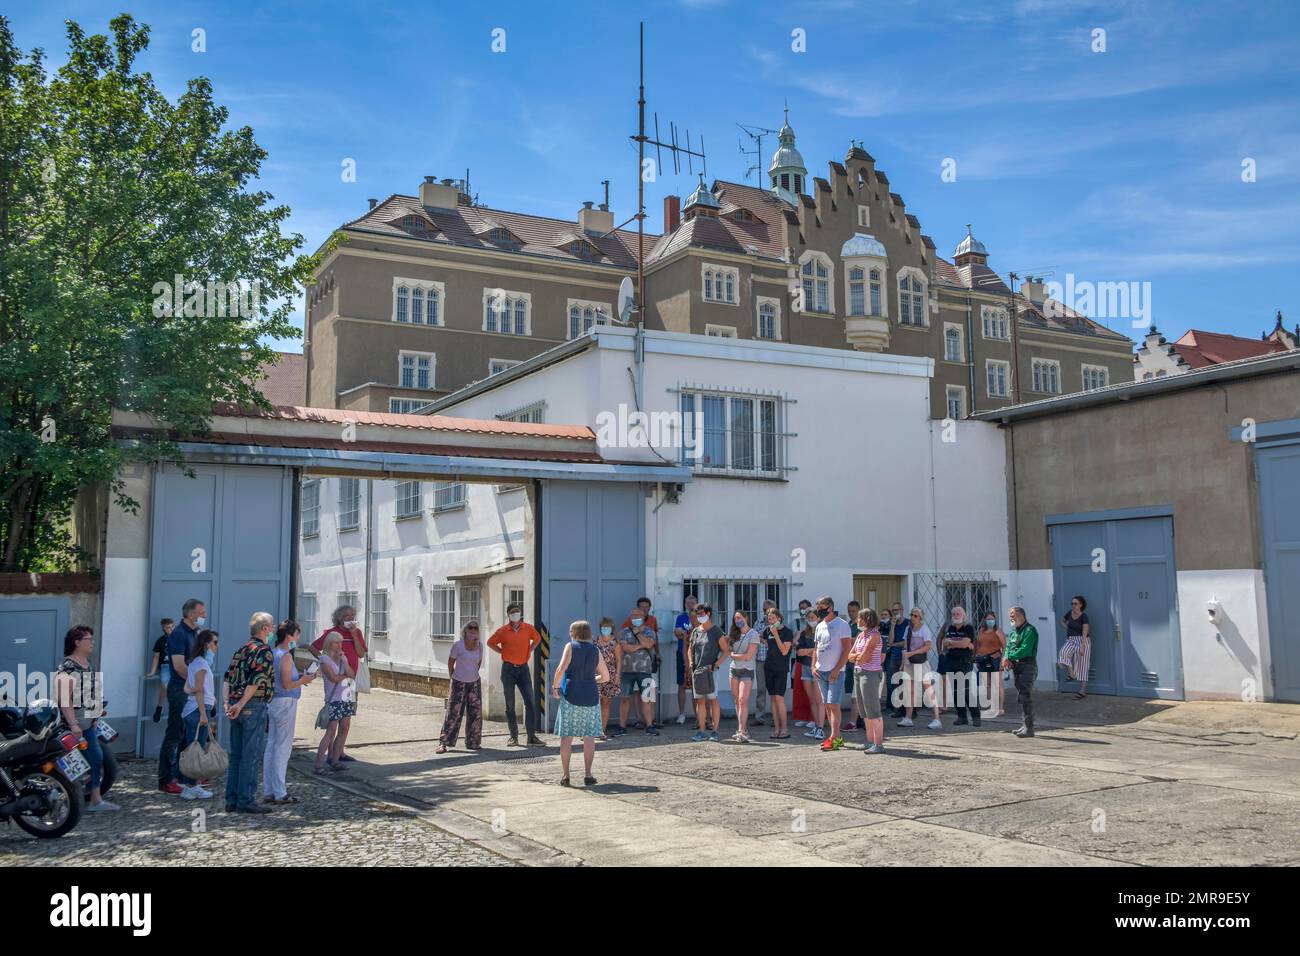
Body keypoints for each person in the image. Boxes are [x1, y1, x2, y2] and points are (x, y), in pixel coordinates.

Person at [56, 626, 118, 812]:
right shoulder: (68, 666)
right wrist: (73, 723)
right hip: (76, 721)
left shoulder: (86, 663)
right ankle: (82, 799)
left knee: (93, 758)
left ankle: (94, 799)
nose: (92, 642)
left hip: (88, 720)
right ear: (77, 642)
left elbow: (91, 692)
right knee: (82, 760)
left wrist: (96, 715)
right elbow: (64, 698)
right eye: (88, 639)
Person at [223, 612, 276, 814]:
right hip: (252, 705)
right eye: (271, 627)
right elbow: (256, 681)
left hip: (236, 704)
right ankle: (246, 800)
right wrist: (241, 704)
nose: (272, 630)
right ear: (264, 629)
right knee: (250, 755)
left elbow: (227, 679)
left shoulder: (242, 649)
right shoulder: (263, 651)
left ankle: (232, 799)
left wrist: (229, 703)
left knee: (236, 755)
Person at [552, 620, 610, 787]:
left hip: (571, 695)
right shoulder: (595, 650)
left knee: (567, 737)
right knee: (589, 737)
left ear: (574, 633)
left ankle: (565, 775)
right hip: (590, 697)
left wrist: (555, 686)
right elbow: (605, 677)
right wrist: (592, 679)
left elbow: (560, 669)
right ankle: (588, 774)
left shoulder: (570, 647)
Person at [263, 620, 315, 804]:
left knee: (272, 745)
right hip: (285, 701)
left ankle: (269, 790)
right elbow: (286, 684)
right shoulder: (285, 656)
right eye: (297, 634)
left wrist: (299, 678)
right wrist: (303, 680)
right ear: (290, 635)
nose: (298, 638)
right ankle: (280, 792)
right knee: (283, 747)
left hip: (275, 701)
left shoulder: (272, 653)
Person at [310, 605, 368, 762]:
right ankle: (330, 755)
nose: (350, 618)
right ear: (339, 618)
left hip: (351, 681)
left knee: (346, 720)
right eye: (346, 616)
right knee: (333, 722)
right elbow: (313, 647)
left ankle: (339, 752)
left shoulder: (357, 633)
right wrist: (325, 660)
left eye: (352, 615)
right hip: (336, 682)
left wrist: (355, 635)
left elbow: (361, 653)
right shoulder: (332, 633)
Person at [159, 598, 203, 795]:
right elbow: (178, 665)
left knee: (186, 734)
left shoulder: (195, 633)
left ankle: (184, 776)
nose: (204, 616)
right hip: (180, 690)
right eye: (201, 612)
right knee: (175, 734)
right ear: (191, 614)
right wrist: (195, 684)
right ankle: (166, 779)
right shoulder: (178, 634)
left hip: (189, 690)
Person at [486, 603, 545, 747]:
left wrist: (530, 650)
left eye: (517, 611)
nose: (515, 614)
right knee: (510, 705)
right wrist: (502, 652)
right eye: (512, 612)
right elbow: (490, 642)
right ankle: (513, 737)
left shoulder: (528, 628)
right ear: (508, 615)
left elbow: (537, 639)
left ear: (521, 614)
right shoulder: (503, 631)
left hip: (523, 669)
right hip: (508, 670)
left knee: (530, 702)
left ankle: (531, 737)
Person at [180, 628, 219, 801]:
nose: (216, 646)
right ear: (206, 645)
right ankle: (191, 786)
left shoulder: (196, 662)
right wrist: (203, 713)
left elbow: (189, 687)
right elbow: (199, 690)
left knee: (194, 747)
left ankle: (191, 784)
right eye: (215, 643)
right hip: (198, 709)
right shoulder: (201, 664)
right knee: (196, 748)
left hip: (196, 708)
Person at [812, 596, 852, 751]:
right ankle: (835, 736)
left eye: (821, 606)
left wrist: (836, 669)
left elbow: (847, 649)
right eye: (817, 606)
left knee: (833, 705)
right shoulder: (819, 625)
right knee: (827, 706)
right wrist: (813, 666)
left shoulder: (842, 625)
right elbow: (816, 647)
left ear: (830, 607)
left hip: (835, 671)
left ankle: (834, 738)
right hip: (820, 671)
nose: (818, 609)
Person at [438, 621, 484, 753]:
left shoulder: (479, 646)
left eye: (476, 628)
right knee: (454, 713)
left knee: (475, 714)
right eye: (470, 628)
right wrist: (453, 677)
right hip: (459, 682)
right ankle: (443, 742)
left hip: (474, 683)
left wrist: (472, 674)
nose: (473, 630)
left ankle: (473, 742)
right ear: (465, 631)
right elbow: (450, 662)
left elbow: (478, 663)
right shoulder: (458, 646)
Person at [686, 603, 728, 742]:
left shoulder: (716, 631)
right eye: (698, 614)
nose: (700, 616)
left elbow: (725, 651)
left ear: (709, 613)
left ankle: (715, 731)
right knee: (700, 701)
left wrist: (716, 665)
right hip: (697, 671)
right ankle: (701, 731)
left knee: (713, 700)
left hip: (710, 671)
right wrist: (691, 663)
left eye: (702, 613)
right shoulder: (695, 631)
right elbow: (690, 649)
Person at [315, 631, 356, 771]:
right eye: (336, 642)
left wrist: (344, 662)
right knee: (331, 731)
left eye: (341, 642)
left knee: (344, 729)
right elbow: (333, 678)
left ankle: (335, 760)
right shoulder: (324, 659)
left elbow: (352, 675)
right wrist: (344, 675)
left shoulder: (341, 658)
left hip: (346, 698)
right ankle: (319, 764)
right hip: (333, 699)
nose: (340, 645)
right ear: (330, 643)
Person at [847, 609, 886, 754]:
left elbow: (864, 658)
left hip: (870, 674)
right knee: (863, 710)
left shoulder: (875, 635)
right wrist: (857, 656)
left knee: (873, 710)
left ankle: (879, 744)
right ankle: (870, 742)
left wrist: (856, 656)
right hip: (858, 672)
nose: (858, 621)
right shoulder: (861, 635)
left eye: (860, 618)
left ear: (867, 619)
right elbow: (850, 656)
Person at [615, 610, 658, 737]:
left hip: (645, 670)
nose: (635, 618)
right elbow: (625, 647)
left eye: (638, 616)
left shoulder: (650, 631)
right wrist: (640, 646)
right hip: (627, 671)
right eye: (633, 615)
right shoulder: (624, 632)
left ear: (643, 617)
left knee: (647, 699)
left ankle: (649, 726)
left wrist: (638, 633)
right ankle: (622, 727)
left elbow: (649, 644)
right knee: (625, 699)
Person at [898, 608, 942, 731]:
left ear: (920, 618)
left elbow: (928, 646)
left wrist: (912, 653)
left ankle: (937, 719)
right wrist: (904, 661)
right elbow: (906, 646)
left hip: (921, 662)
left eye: (916, 615)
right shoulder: (908, 629)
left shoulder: (924, 629)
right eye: (911, 614)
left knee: (928, 689)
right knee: (909, 690)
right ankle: (908, 718)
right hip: (909, 663)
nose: (913, 617)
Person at [1003, 606, 1039, 738]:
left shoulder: (1030, 630)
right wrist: (1006, 657)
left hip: (1027, 666)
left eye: (1013, 614)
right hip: (1016, 666)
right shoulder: (1014, 631)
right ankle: (1024, 725)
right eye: (1010, 615)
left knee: (1025, 695)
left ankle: (1029, 728)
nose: (1010, 617)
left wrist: (1009, 657)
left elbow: (1025, 649)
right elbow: (1009, 646)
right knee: (1021, 696)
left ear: (1021, 615)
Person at [941, 606, 979, 726]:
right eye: (954, 614)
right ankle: (962, 716)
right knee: (956, 691)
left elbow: (964, 644)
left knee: (966, 691)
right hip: (951, 661)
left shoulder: (968, 627)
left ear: (963, 615)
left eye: (958, 613)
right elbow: (944, 643)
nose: (956, 616)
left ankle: (976, 716)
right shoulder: (951, 627)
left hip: (964, 662)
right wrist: (957, 644)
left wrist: (953, 643)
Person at [727, 610, 761, 743]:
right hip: (734, 670)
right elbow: (727, 648)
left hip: (747, 670)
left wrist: (734, 655)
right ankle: (742, 728)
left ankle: (742, 731)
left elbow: (748, 656)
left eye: (739, 617)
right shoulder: (734, 633)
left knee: (743, 700)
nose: (737, 620)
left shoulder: (753, 634)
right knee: (737, 701)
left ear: (746, 618)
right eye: (735, 618)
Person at [762, 607, 794, 739]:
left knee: (779, 698)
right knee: (773, 699)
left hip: (781, 668)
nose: (771, 621)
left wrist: (775, 635)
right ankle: (776, 729)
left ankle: (784, 729)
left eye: (773, 618)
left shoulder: (787, 632)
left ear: (779, 618)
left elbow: (784, 651)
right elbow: (765, 641)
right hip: (769, 667)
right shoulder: (767, 631)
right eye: (769, 619)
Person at [797, 605, 824, 738]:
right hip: (806, 668)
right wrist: (812, 651)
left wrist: (810, 652)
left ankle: (821, 728)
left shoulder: (823, 631)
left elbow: (822, 651)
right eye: (808, 618)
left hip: (818, 669)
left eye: (812, 617)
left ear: (818, 618)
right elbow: (799, 652)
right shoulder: (803, 634)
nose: (810, 620)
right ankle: (815, 724)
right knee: (812, 699)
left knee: (820, 700)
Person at [751, 599, 778, 727]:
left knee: (774, 690)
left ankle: (775, 718)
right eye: (764, 609)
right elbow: (755, 637)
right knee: (761, 689)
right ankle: (759, 717)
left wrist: (762, 637)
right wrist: (763, 638)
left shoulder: (778, 623)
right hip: (760, 660)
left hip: (774, 661)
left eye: (768, 609)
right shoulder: (759, 622)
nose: (766, 612)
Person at [1058, 595, 1092, 699]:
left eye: (1075, 603)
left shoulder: (1084, 616)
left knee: (1082, 665)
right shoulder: (1069, 613)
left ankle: (1082, 691)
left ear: (1081, 605)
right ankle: (1072, 674)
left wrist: (1082, 646)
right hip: (1071, 640)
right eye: (1072, 603)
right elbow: (1062, 621)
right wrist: (1068, 627)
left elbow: (1085, 632)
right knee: (1063, 653)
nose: (1073, 605)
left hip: (1083, 640)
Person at [975, 610, 1007, 717]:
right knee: (987, 685)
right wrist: (976, 657)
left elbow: (1004, 647)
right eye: (988, 619)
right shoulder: (981, 631)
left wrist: (1003, 661)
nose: (990, 621)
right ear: (984, 620)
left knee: (998, 684)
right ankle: (990, 706)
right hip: (983, 659)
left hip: (995, 659)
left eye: (992, 619)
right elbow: (978, 644)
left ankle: (1000, 708)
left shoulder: (998, 631)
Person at [672, 595, 698, 724]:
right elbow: (677, 632)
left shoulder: (700, 617)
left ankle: (698, 715)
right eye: (688, 603)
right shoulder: (681, 617)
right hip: (681, 653)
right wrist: (684, 633)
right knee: (681, 684)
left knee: (695, 686)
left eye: (692, 603)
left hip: (696, 655)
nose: (690, 605)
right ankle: (682, 714)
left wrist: (684, 632)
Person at [594, 617, 620, 740]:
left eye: (608, 627)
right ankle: (591, 731)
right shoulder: (595, 641)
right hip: (595, 675)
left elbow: (619, 661)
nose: (606, 629)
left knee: (605, 702)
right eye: (604, 627)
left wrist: (617, 676)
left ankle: (602, 730)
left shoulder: (615, 643)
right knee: (594, 704)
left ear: (612, 629)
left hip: (610, 675)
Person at [145, 618, 175, 722]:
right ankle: (160, 707)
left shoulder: (180, 638)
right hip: (166, 666)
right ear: (163, 628)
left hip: (178, 666)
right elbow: (156, 657)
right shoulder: (160, 641)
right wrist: (152, 671)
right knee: (164, 685)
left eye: (172, 626)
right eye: (168, 627)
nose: (171, 629)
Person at [883, 604, 909, 717]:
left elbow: (907, 641)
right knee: (893, 682)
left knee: (905, 683)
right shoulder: (892, 624)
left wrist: (894, 644)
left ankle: (908, 710)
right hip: (894, 656)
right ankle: (896, 709)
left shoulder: (908, 623)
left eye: (896, 610)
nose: (895, 612)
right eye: (893, 610)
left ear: (902, 610)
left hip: (905, 657)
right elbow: (890, 640)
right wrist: (892, 626)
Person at [843, 600, 862, 731]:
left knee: (858, 695)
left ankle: (856, 721)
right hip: (849, 662)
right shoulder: (848, 624)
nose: (850, 613)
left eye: (853, 611)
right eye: (849, 611)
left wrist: (848, 640)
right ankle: (859, 719)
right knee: (852, 693)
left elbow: (859, 639)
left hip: (859, 662)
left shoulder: (861, 625)